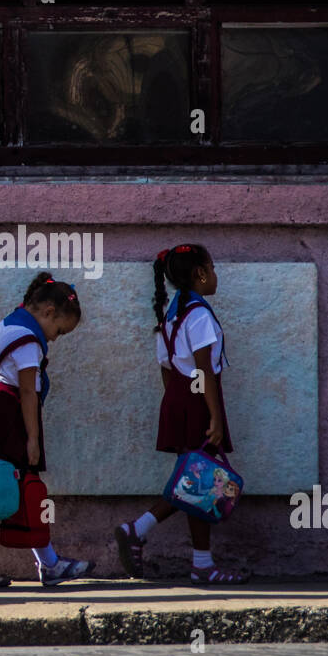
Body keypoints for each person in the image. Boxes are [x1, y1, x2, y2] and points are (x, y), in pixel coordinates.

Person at [115, 244, 247, 584]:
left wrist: (176, 403)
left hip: (178, 397)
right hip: (198, 399)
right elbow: (203, 370)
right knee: (197, 480)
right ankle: (138, 528)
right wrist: (214, 415)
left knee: (200, 481)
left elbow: (166, 368)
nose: (215, 275)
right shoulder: (199, 315)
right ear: (200, 274)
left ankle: (202, 563)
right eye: (213, 268)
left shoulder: (170, 316)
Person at [0, 273, 94, 587]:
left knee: (7, 489)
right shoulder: (29, 341)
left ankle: (48, 563)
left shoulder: (0, 329)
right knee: (4, 489)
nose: (56, 338)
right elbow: (28, 393)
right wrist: (33, 439)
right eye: (59, 330)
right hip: (12, 419)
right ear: (48, 312)